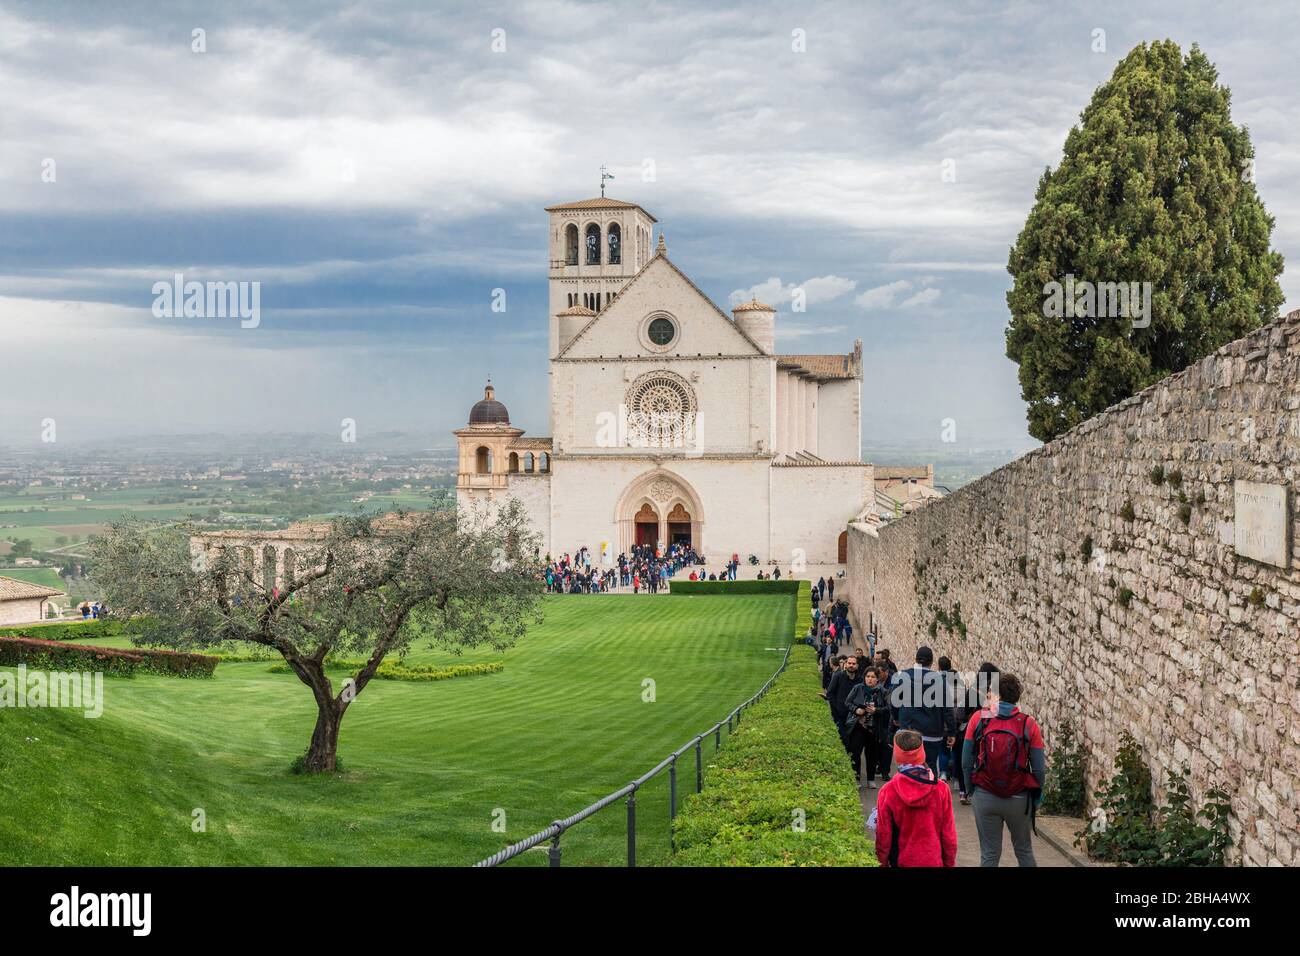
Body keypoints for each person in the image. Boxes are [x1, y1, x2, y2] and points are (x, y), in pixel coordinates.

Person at [962, 672, 1045, 867]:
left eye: (991, 691)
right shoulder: (1028, 723)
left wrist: (970, 790)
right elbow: (1039, 769)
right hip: (1018, 797)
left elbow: (966, 761)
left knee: (990, 854)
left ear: (997, 695)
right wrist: (1036, 795)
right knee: (1024, 851)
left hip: (985, 793)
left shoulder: (979, 718)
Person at [873, 729, 957, 867]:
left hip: (900, 860)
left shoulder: (888, 791)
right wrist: (949, 863)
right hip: (933, 860)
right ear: (922, 752)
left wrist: (881, 863)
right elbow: (949, 835)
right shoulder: (941, 789)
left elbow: (884, 835)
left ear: (897, 754)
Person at [889, 646, 956, 776]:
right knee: (930, 767)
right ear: (931, 662)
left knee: (907, 767)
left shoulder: (904, 676)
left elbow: (894, 700)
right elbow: (947, 708)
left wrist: (896, 718)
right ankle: (930, 793)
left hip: (908, 729)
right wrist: (951, 732)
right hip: (932, 732)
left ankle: (908, 794)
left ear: (916, 659)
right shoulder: (939, 680)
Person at [845, 666, 889, 788]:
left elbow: (888, 709)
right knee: (855, 753)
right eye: (867, 676)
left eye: (873, 677)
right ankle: (857, 778)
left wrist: (877, 710)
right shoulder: (857, 688)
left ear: (877, 679)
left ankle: (870, 779)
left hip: (874, 728)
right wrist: (856, 709)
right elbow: (847, 702)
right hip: (858, 726)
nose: (870, 679)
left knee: (872, 754)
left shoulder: (883, 691)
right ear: (864, 678)